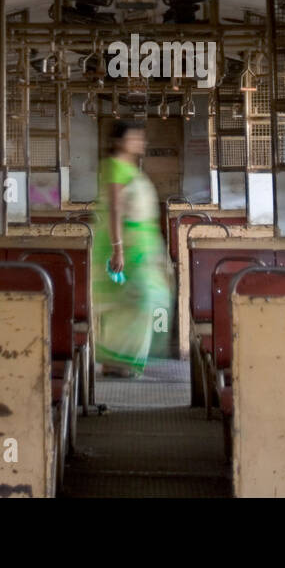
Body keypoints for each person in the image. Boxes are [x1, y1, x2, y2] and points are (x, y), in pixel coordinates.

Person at [92, 119, 172, 378]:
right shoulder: (115, 167)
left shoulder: (132, 169)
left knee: (140, 301)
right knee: (139, 300)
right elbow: (115, 208)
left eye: (140, 137)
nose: (140, 142)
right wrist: (118, 250)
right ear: (119, 142)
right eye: (134, 137)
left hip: (142, 248)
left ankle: (120, 359)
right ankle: (117, 359)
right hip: (127, 248)